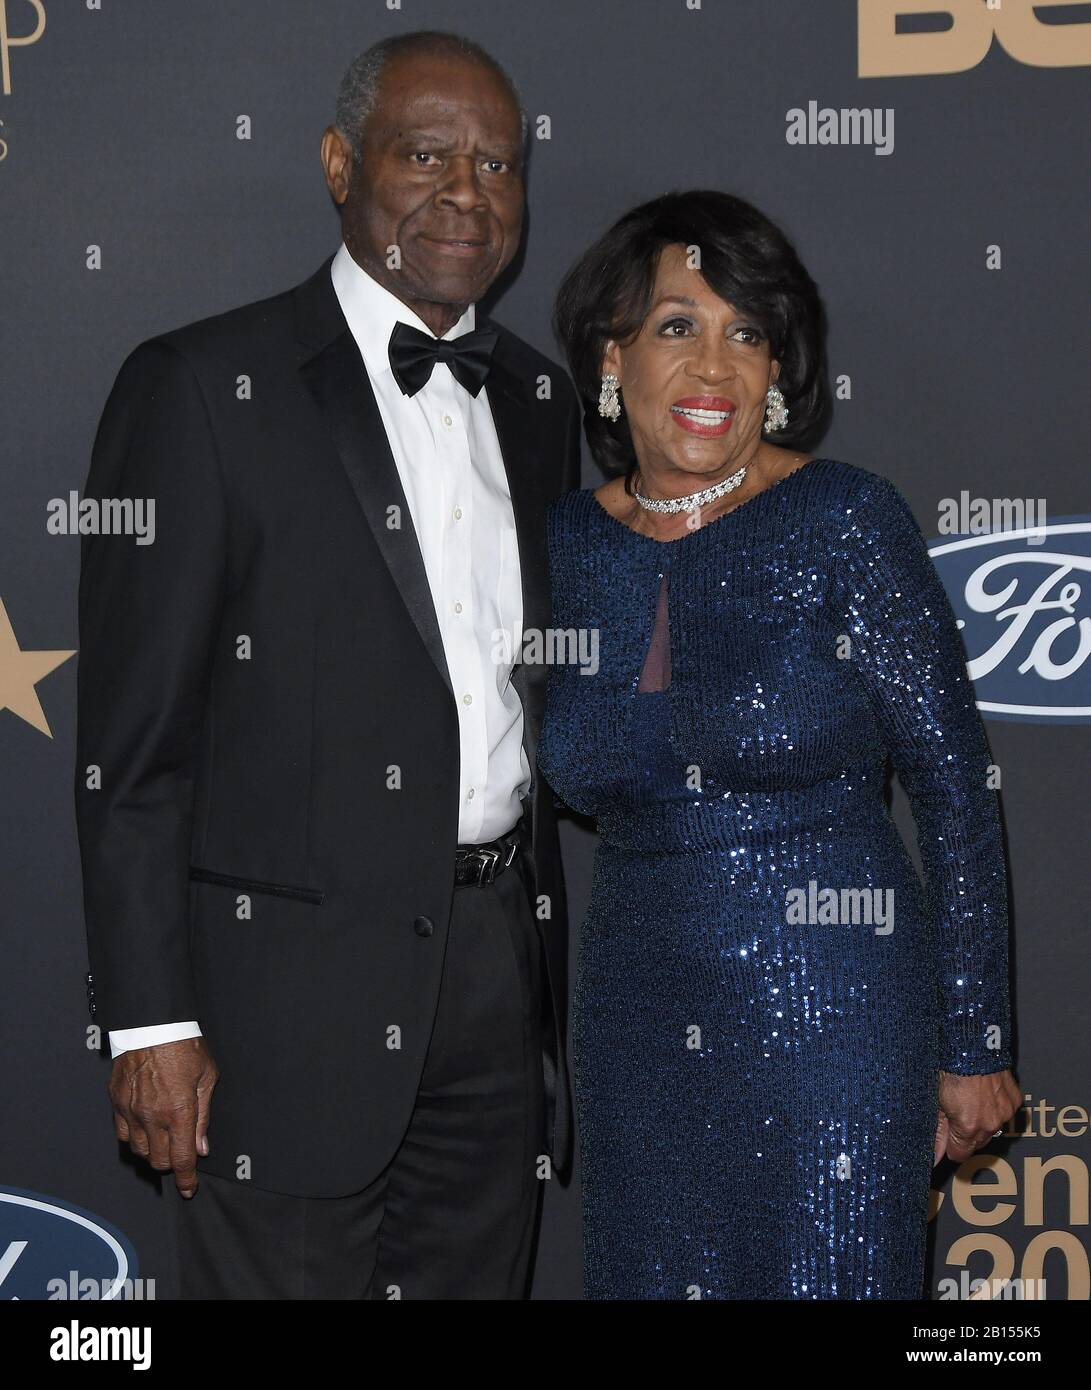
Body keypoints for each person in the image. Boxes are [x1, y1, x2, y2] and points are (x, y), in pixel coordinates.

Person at [75, 30, 579, 1300]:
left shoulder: (534, 399)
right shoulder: (199, 387)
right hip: (277, 1010)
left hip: (492, 981)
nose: (469, 193)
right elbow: (133, 751)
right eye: (427, 155)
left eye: (498, 166)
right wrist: (150, 1021)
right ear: (339, 163)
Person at [538, 189, 1021, 1299]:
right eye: (676, 326)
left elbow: (951, 783)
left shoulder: (845, 518)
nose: (713, 368)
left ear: (780, 369)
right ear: (610, 357)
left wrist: (974, 1035)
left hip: (833, 1012)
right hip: (633, 1020)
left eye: (745, 334)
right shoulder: (558, 542)